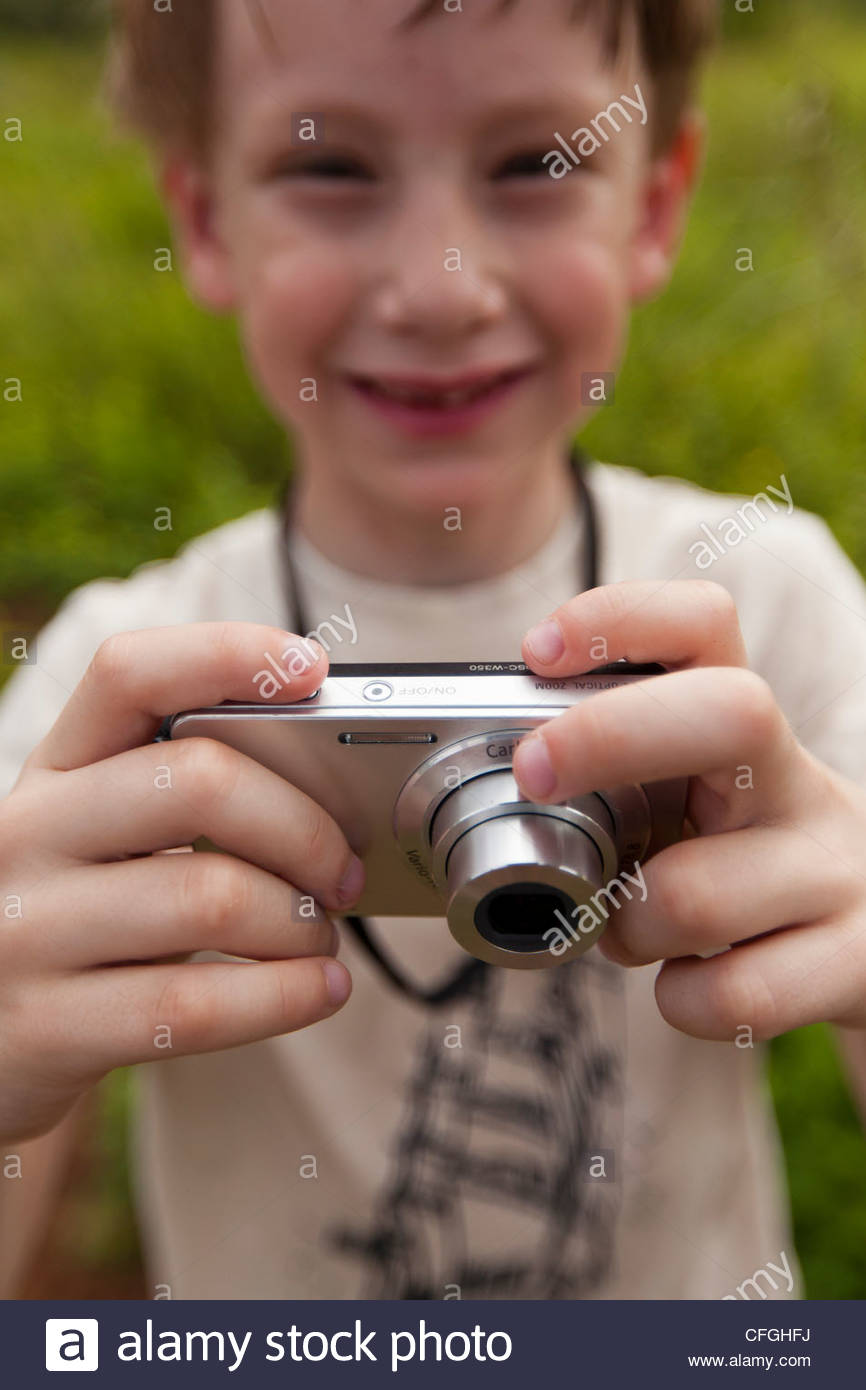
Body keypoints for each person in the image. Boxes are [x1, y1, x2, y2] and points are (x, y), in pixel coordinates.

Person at [1, 0, 865, 1301]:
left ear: (653, 204)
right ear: (204, 220)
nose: (440, 288)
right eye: (328, 165)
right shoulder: (111, 684)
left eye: (538, 163)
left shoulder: (769, 606)